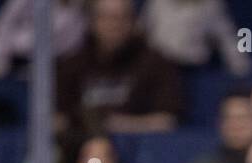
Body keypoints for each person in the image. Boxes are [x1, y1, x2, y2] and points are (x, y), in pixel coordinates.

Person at [55, 0, 184, 135]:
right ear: (92, 22)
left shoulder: (156, 64)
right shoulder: (72, 64)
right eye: (106, 17)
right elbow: (55, 120)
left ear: (134, 22)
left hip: (139, 147)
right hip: (81, 146)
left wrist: (122, 125)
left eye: (122, 18)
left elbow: (167, 121)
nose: (114, 25)